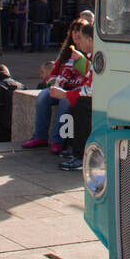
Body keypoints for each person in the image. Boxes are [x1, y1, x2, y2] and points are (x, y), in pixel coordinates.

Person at [22, 20, 87, 151]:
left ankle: (58, 140)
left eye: (79, 31)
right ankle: (39, 136)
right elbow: (53, 71)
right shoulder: (65, 51)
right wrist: (53, 82)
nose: (76, 35)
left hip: (77, 89)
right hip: (62, 86)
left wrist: (80, 60)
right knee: (43, 97)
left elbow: (89, 73)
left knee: (65, 102)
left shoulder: (89, 51)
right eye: (74, 31)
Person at [51, 21, 94, 171]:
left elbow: (90, 89)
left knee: (81, 105)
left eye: (81, 38)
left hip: (92, 98)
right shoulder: (90, 56)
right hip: (81, 92)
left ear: (90, 40)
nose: (78, 41)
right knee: (79, 103)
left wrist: (65, 95)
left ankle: (79, 155)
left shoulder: (93, 58)